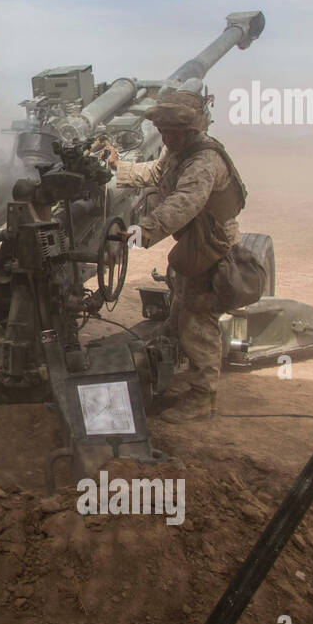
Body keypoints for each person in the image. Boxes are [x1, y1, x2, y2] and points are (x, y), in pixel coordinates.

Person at [108, 87, 249, 422]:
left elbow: (184, 203)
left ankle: (202, 398)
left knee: (197, 320)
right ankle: (180, 373)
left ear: (190, 130)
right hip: (196, 243)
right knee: (180, 313)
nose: (166, 137)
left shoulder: (203, 161)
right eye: (162, 132)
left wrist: (141, 232)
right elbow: (157, 173)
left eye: (172, 132)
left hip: (212, 247)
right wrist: (119, 167)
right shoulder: (180, 152)